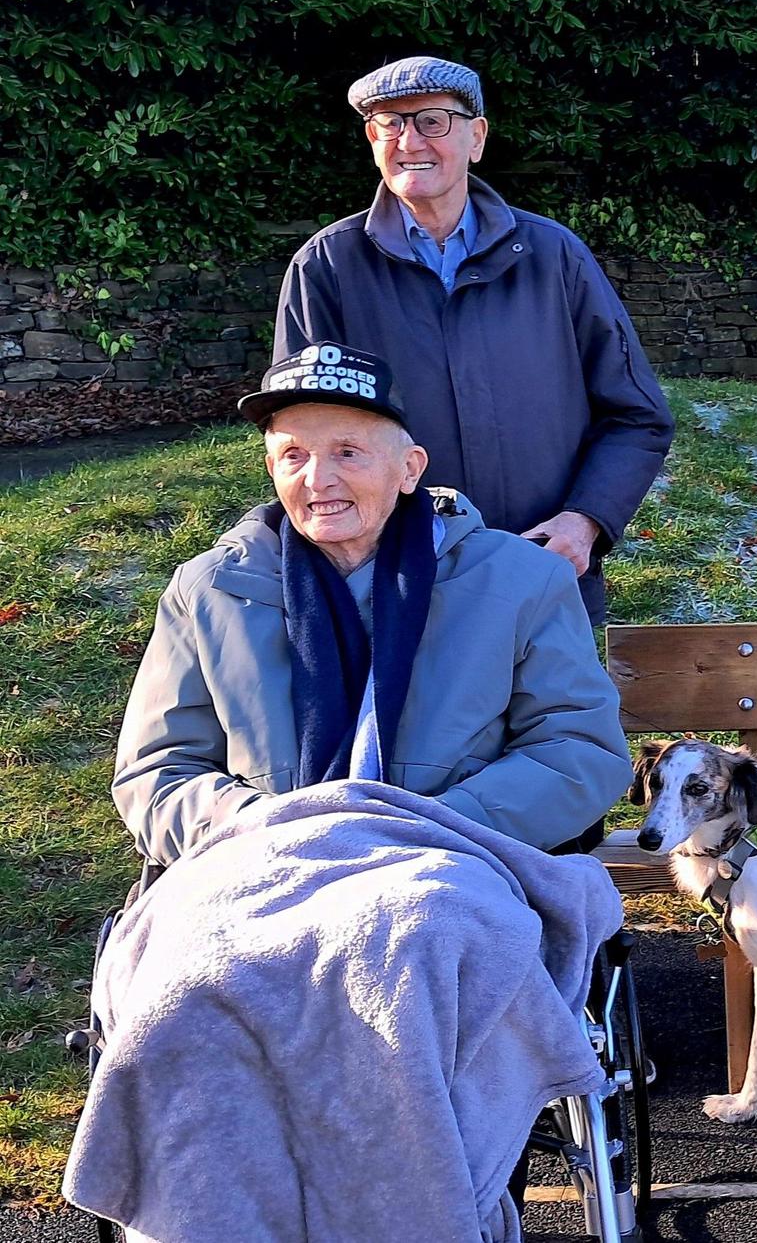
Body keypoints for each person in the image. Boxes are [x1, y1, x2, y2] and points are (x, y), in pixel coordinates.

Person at [68, 345, 633, 1242]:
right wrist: (249, 823)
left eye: (347, 451)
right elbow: (156, 769)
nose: (317, 478)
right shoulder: (209, 588)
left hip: (445, 859)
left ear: (410, 469)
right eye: (292, 454)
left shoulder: (518, 581)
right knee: (184, 981)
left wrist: (435, 824)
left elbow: (582, 752)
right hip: (257, 862)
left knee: (417, 950)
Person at [274, 56, 673, 622]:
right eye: (390, 123)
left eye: (432, 120)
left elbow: (638, 416)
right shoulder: (328, 268)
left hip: (546, 575)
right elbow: (301, 443)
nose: (410, 140)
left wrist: (586, 521)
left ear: (476, 136)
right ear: (372, 139)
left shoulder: (554, 256)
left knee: (559, 713)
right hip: (395, 591)